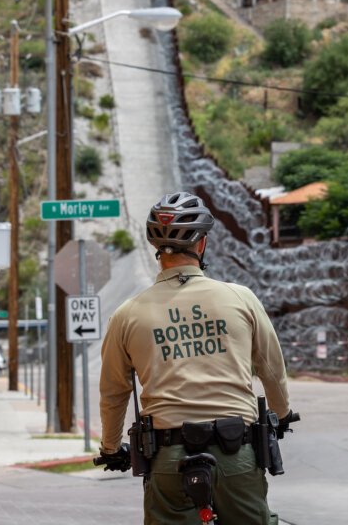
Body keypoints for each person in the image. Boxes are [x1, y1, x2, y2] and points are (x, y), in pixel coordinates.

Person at [98, 191, 294, 525]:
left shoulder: (127, 315)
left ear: (157, 249)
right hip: (236, 452)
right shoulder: (240, 298)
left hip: (168, 458)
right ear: (201, 244)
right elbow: (271, 369)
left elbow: (114, 392)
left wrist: (111, 447)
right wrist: (283, 413)